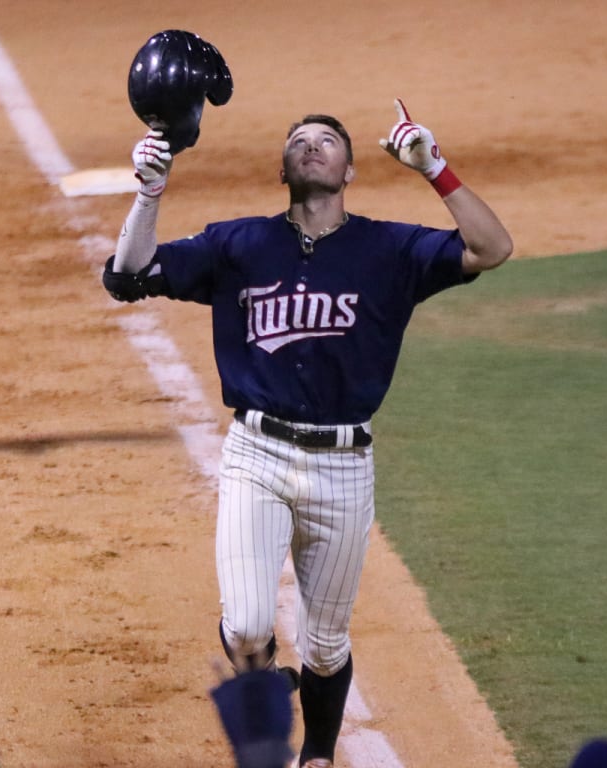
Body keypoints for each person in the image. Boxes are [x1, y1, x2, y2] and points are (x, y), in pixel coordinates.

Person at [102, 98, 513, 766]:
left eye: (327, 140)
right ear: (283, 168)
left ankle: (317, 753)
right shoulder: (238, 245)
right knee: (246, 627)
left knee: (324, 645)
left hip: (344, 468)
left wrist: (433, 168)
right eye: (299, 140)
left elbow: (492, 248)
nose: (313, 145)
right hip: (256, 455)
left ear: (351, 171)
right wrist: (150, 190)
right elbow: (126, 276)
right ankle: (262, 698)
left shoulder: (390, 249)